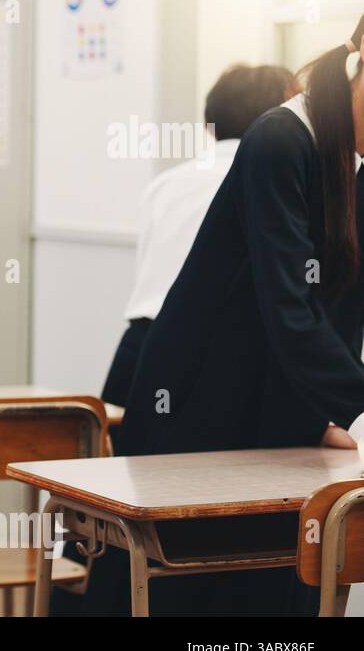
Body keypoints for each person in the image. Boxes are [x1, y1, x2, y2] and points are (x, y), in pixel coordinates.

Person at [86, 17, 364, 616]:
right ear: (358, 63)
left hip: (273, 407)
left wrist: (325, 412)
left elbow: (341, 305)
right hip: (193, 404)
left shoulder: (350, 157)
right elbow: (289, 307)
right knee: (190, 594)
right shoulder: (281, 140)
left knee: (283, 593)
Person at [101, 65, 299, 411]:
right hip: (212, 361)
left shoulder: (165, 184)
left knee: (122, 460)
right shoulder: (273, 183)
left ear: (211, 125)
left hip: (137, 350)